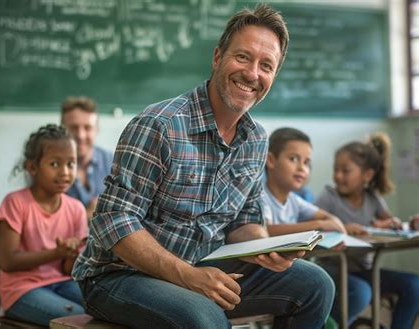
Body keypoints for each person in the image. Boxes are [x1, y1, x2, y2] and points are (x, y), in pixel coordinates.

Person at [72, 4, 335, 329]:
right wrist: (190, 277)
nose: (253, 73)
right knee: (204, 316)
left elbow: (244, 220)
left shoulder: (255, 140)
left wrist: (264, 248)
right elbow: (115, 221)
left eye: (266, 65)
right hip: (118, 277)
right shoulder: (160, 125)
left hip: (203, 265)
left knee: (316, 285)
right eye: (243, 57)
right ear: (217, 57)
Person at [263, 127, 371, 326]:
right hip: (270, 274)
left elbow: (328, 218)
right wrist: (319, 225)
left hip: (299, 270)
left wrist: (337, 229)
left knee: (346, 296)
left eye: (306, 162)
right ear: (270, 160)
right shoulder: (261, 195)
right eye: (293, 159)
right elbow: (266, 231)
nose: (302, 168)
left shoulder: (294, 200)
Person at [316, 132, 419, 329]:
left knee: (414, 284)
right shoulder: (329, 197)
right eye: (336, 170)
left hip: (364, 270)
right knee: (362, 291)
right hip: (333, 267)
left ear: (367, 175)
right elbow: (312, 227)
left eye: (345, 171)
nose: (338, 176)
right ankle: (325, 325)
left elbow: (391, 221)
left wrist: (394, 223)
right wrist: (343, 228)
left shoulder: (372, 197)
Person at [0, 124, 88, 326]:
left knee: (103, 307)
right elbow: (8, 261)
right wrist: (56, 253)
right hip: (21, 289)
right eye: (55, 164)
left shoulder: (76, 209)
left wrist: (72, 255)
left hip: (60, 282)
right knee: (79, 318)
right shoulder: (16, 203)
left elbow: (68, 270)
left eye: (71, 164)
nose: (65, 172)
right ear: (32, 167)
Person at [60, 96, 113, 218]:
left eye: (87, 128)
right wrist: (88, 214)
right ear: (62, 129)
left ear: (97, 129)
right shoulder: (47, 166)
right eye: (74, 128)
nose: (81, 135)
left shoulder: (113, 162)